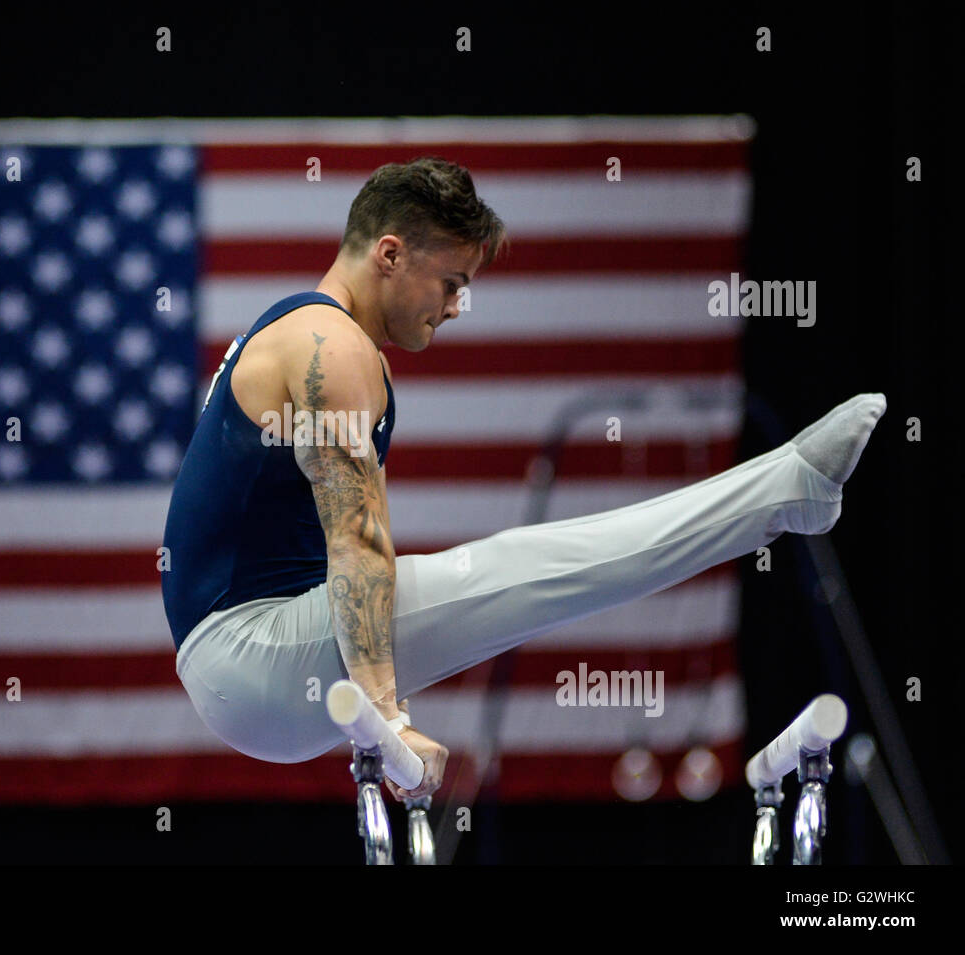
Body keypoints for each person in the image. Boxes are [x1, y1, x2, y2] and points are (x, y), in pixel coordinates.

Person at [160, 156, 886, 803]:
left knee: (511, 569)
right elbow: (356, 535)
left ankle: (786, 489)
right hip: (250, 653)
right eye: (450, 282)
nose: (453, 307)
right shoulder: (329, 344)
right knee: (526, 565)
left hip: (251, 664)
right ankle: (790, 488)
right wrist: (387, 718)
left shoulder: (304, 333)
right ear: (389, 254)